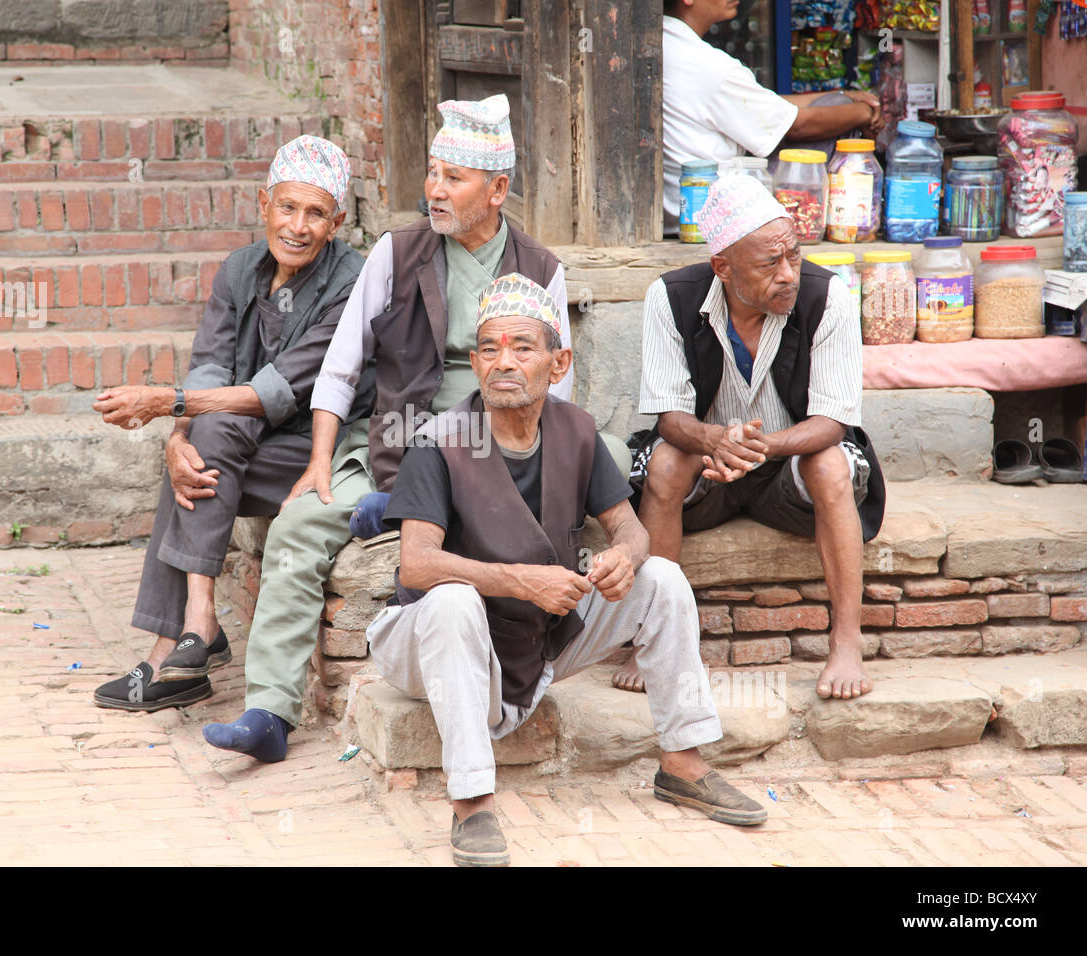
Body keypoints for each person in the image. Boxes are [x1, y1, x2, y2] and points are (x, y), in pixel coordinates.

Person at [199, 94, 633, 762]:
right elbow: (341, 368)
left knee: (612, 454)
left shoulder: (541, 269)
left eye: (451, 179)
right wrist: (319, 461)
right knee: (297, 525)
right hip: (402, 442)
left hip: (500, 451)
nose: (434, 190)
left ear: (497, 190)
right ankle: (269, 709)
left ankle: (404, 518)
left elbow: (557, 395)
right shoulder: (397, 252)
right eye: (431, 173)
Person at [367, 273, 765, 867]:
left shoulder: (577, 432)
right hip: (428, 642)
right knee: (453, 599)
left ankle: (684, 764)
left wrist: (623, 558)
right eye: (491, 349)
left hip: (534, 638)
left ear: (558, 363)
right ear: (475, 364)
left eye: (523, 348)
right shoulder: (440, 440)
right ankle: (472, 801)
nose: (505, 362)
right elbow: (418, 565)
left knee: (662, 579)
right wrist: (522, 580)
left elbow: (631, 528)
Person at [88, 134, 364, 712]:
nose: (298, 225)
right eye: (287, 207)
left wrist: (170, 405)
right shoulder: (240, 269)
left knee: (209, 436)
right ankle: (189, 633)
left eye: (316, 213)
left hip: (317, 452)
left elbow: (279, 389)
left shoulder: (350, 284)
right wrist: (177, 436)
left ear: (335, 222)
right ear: (263, 202)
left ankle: (186, 640)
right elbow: (209, 366)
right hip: (240, 444)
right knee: (199, 447)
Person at [616, 174, 886, 701]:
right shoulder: (670, 298)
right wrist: (715, 439)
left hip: (790, 476)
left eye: (794, 255)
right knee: (666, 462)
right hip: (705, 472)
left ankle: (847, 642)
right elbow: (670, 418)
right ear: (723, 267)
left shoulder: (827, 296)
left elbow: (832, 420)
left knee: (831, 461)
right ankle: (653, 639)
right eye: (769, 264)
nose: (788, 274)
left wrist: (761, 446)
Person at [661, 0, 886, 231]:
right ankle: (848, 227)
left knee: (838, 102)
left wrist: (846, 95)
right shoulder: (709, 66)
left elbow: (769, 104)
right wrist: (863, 113)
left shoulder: (665, 46)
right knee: (838, 116)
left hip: (676, 210)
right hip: (722, 213)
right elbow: (799, 125)